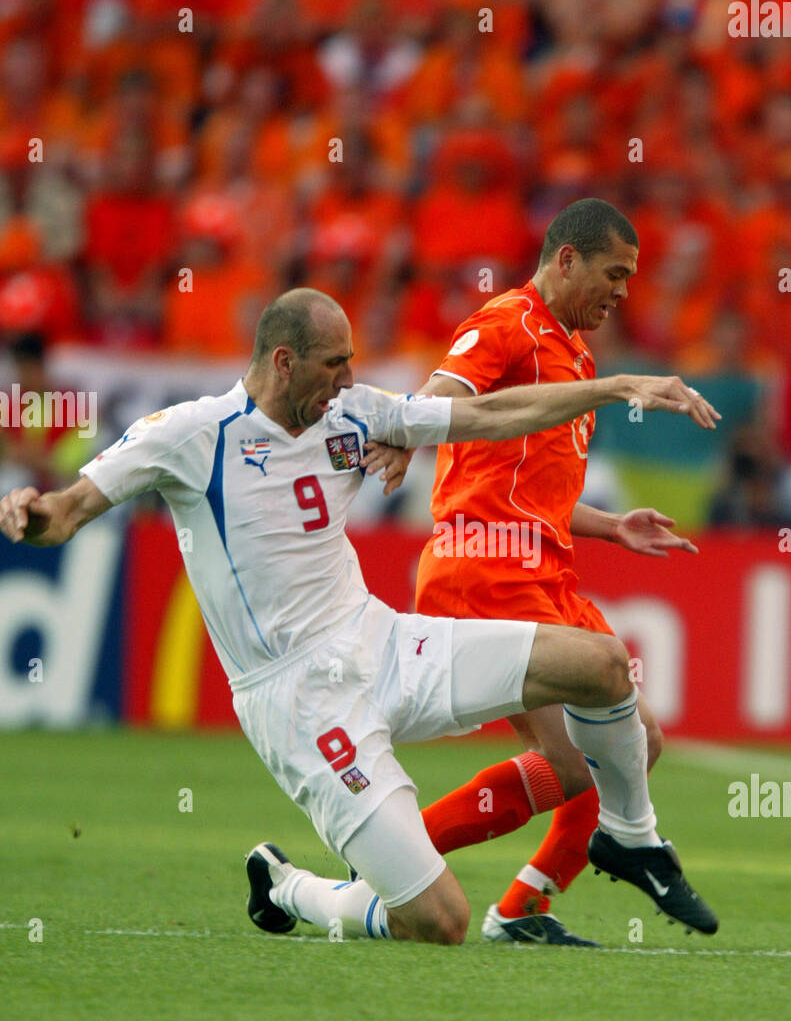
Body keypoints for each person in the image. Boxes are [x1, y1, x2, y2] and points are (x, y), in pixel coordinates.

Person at [0, 287, 720, 945]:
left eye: (351, 362)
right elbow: (67, 512)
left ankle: (630, 836)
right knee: (439, 921)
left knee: (600, 666)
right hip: (300, 702)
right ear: (284, 362)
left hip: (384, 644)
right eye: (334, 364)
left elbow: (490, 414)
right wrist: (32, 514)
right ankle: (292, 886)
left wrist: (617, 386)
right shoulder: (192, 433)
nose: (347, 378)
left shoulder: (353, 414)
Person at [370, 199, 716, 945]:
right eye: (613, 273)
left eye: (630, 278)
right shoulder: (506, 324)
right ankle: (377, 876)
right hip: (482, 567)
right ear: (566, 260)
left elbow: (535, 489)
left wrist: (612, 526)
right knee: (575, 759)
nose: (622, 291)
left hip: (541, 567)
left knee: (636, 744)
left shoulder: (574, 353)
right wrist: (402, 434)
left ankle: (521, 908)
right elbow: (443, 395)